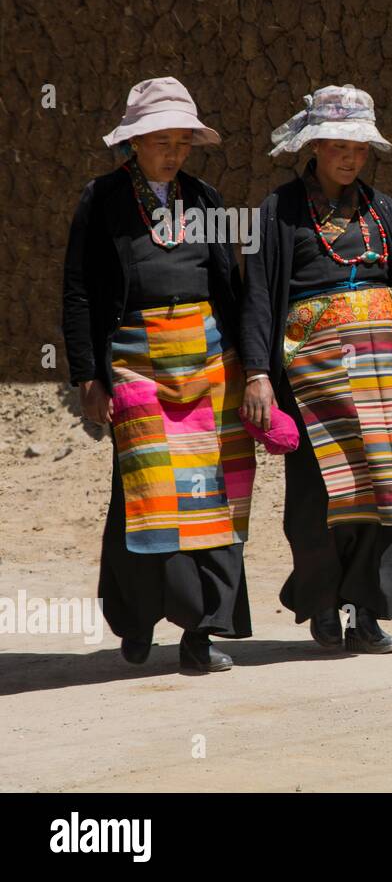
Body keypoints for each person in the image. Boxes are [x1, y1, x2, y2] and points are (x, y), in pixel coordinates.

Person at [240, 84, 392, 654]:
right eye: (339, 144)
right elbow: (259, 297)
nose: (351, 157)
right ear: (315, 146)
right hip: (312, 381)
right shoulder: (278, 212)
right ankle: (323, 607)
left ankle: (365, 614)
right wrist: (257, 374)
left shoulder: (383, 211)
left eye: (359, 147)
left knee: (379, 494)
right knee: (319, 496)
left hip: (383, 376)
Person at [62, 76, 255, 673]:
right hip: (136, 360)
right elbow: (77, 292)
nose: (173, 152)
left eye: (182, 141)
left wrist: (253, 368)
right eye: (160, 140)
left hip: (208, 359)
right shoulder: (102, 200)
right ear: (135, 142)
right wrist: (88, 375)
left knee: (212, 494)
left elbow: (232, 284)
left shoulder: (206, 200)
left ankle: (201, 635)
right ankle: (140, 614)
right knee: (147, 493)